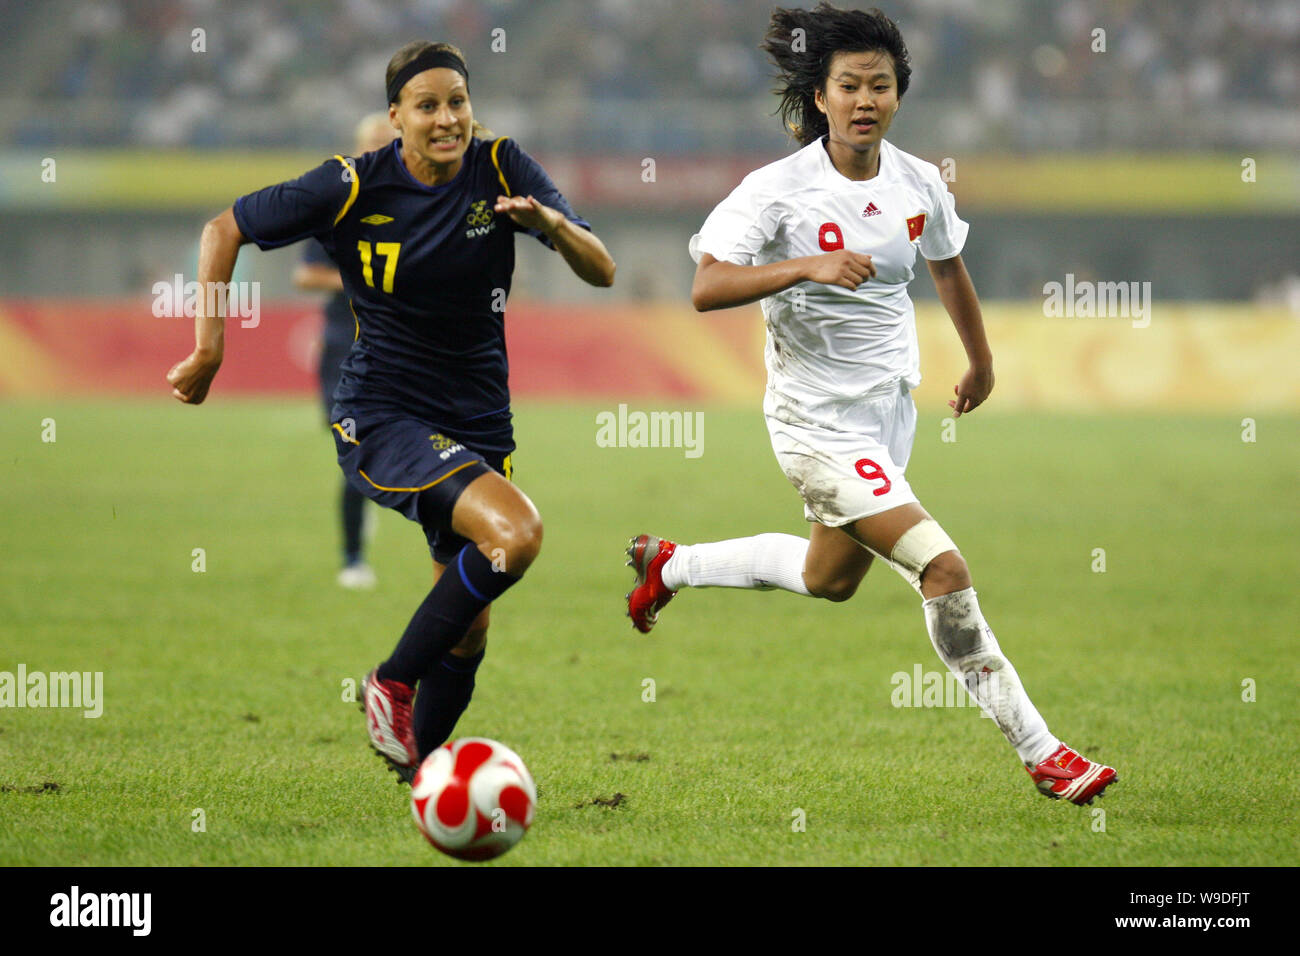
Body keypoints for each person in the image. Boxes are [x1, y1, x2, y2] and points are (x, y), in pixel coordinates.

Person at [625, 4, 1116, 806]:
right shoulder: (776, 193)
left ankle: (671, 566)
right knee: (943, 567)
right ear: (819, 96)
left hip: (887, 417)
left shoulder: (919, 182)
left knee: (830, 579)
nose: (865, 99)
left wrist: (982, 361)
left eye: (879, 85)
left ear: (898, 94)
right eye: (848, 84)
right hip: (813, 424)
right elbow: (707, 286)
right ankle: (1045, 752)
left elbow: (947, 266)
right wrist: (804, 269)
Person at [168, 40, 616, 783]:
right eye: (429, 106)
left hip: (478, 423)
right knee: (519, 534)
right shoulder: (351, 185)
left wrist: (551, 225)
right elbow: (224, 230)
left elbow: (599, 268)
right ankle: (392, 681)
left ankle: (421, 780)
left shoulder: (502, 166)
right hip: (383, 413)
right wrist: (210, 346)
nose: (448, 119)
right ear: (396, 118)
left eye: (458, 102)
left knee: (470, 631)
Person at [292, 113, 398, 591]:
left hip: (400, 345)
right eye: (371, 143)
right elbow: (305, 274)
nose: (379, 150)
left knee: (376, 446)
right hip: (343, 344)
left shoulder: (420, 204)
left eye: (388, 141)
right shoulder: (336, 206)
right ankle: (354, 552)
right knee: (354, 449)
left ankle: (354, 556)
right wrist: (360, 283)